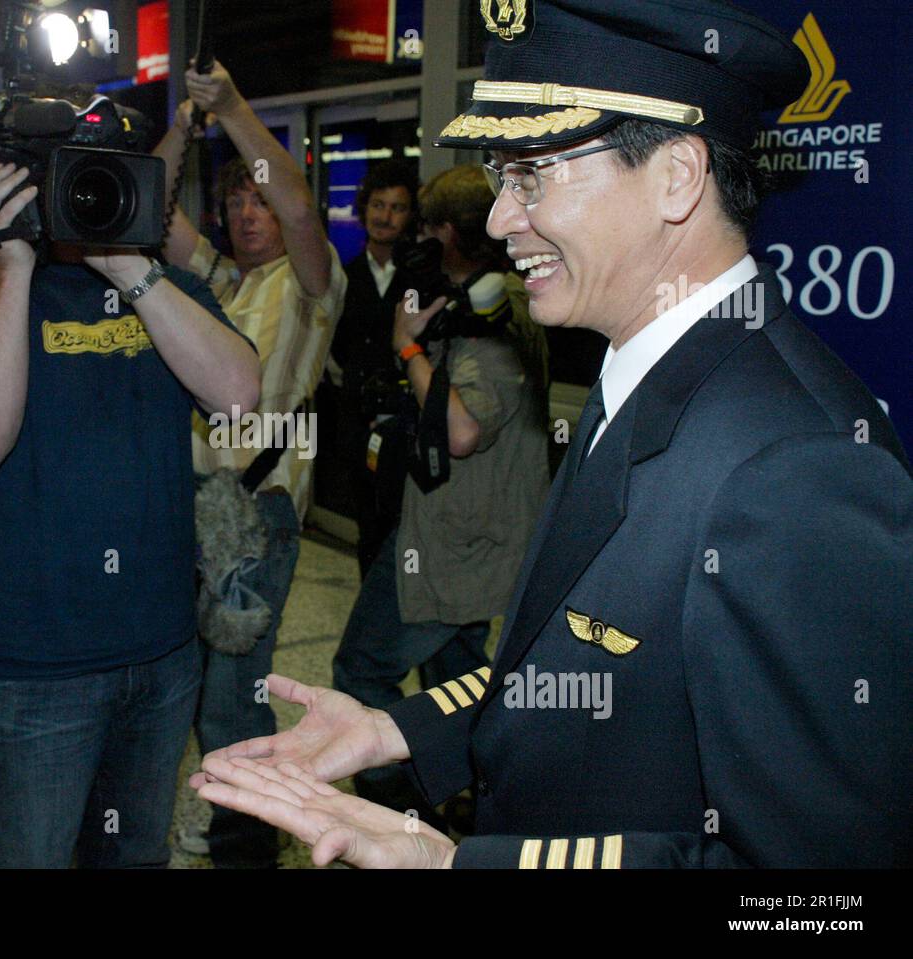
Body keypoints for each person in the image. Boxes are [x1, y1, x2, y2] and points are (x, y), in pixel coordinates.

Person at [193, 0, 912, 868]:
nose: (499, 219)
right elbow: (585, 669)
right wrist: (397, 727)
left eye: (533, 175)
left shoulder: (796, 465)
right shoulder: (648, 372)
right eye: (502, 176)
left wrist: (459, 865)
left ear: (677, 176)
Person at [0, 104, 261, 866]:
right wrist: (9, 267)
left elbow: (238, 397)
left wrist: (131, 266)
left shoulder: (157, 284)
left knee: (135, 857)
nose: (81, 195)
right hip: (29, 668)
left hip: (162, 653)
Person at [154, 58, 346, 868]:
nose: (247, 211)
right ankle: (227, 815)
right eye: (235, 199)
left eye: (257, 199)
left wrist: (232, 106)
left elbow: (303, 211)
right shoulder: (228, 282)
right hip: (197, 509)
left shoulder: (311, 284)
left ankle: (247, 849)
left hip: (258, 518)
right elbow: (151, 216)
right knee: (202, 690)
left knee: (237, 700)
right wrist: (181, 129)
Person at [331, 164, 548, 828]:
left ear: (453, 233)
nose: (416, 237)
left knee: (360, 668)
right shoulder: (471, 303)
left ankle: (399, 804)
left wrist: (409, 349)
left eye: (427, 224)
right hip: (462, 535)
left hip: (453, 547)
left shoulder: (497, 316)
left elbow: (459, 430)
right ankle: (473, 802)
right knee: (457, 686)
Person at [327, 160, 418, 575]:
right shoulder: (343, 279)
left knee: (407, 527)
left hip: (409, 425)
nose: (385, 216)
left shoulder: (419, 279)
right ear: (364, 211)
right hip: (359, 425)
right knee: (368, 527)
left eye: (397, 207)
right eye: (378, 205)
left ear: (410, 215)